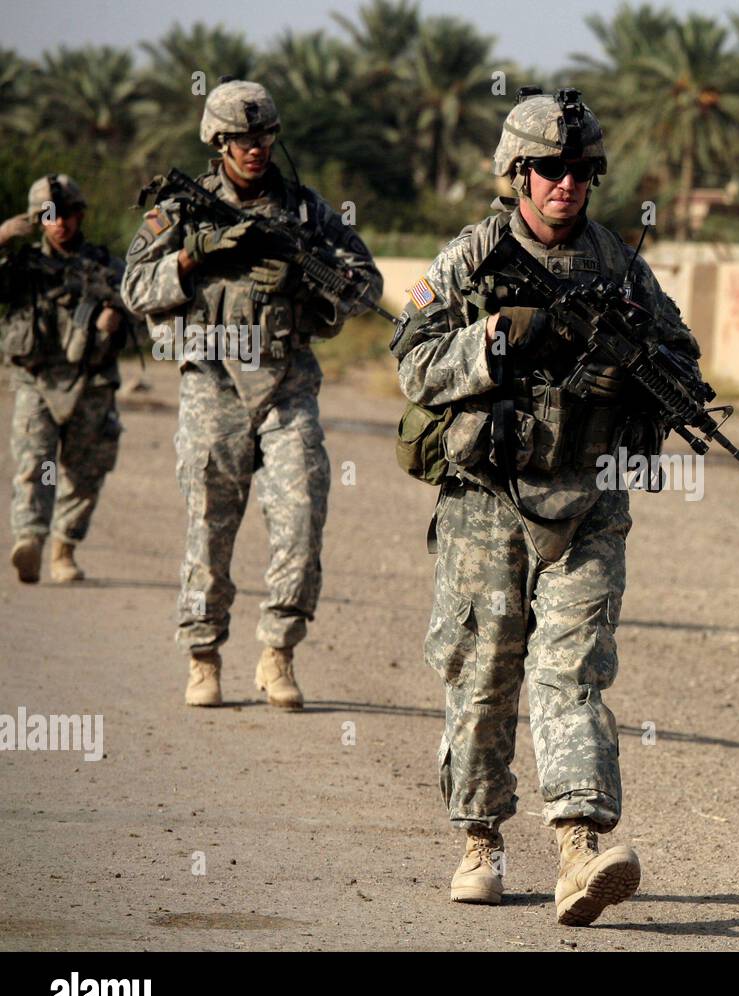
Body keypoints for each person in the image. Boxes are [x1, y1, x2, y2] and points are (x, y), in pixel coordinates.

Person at [391, 86, 703, 925]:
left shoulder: (620, 264)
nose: (567, 185)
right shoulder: (473, 255)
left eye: (580, 171)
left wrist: (637, 379)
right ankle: (481, 838)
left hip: (588, 498)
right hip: (487, 500)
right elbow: (412, 360)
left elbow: (679, 354)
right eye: (549, 171)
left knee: (572, 671)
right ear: (516, 174)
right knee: (484, 673)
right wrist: (499, 340)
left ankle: (578, 845)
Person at [121, 79, 381, 710]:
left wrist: (312, 277)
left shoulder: (308, 212)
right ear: (218, 142)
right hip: (212, 383)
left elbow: (368, 288)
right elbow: (132, 288)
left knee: (300, 519)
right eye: (241, 139)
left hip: (288, 386)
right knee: (209, 526)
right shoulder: (181, 211)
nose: (255, 149)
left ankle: (278, 653)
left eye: (263, 137)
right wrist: (192, 259)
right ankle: (203, 655)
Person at [1, 174, 137, 584]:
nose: (59, 223)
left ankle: (64, 547)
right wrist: (2, 237)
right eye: (49, 216)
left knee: (83, 472)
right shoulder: (21, 267)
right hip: (37, 381)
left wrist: (118, 322)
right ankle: (31, 539)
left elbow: (148, 308)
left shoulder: (107, 268)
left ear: (80, 216)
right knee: (40, 463)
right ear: (36, 220)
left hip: (91, 383)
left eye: (66, 214)